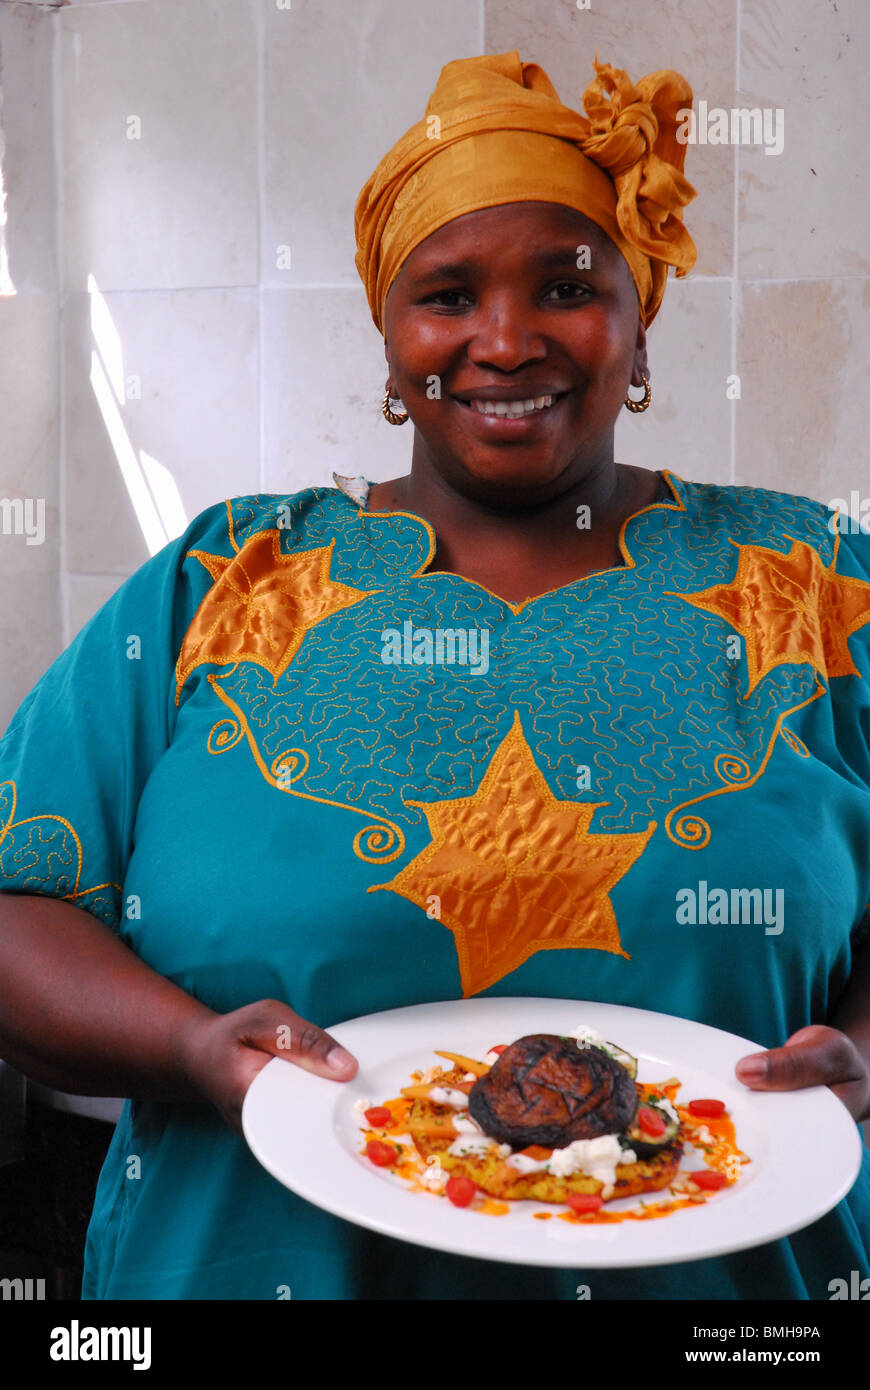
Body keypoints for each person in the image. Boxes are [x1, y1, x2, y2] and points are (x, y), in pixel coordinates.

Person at [0, 47, 868, 1301]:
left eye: (566, 287)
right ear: (391, 332)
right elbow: (16, 906)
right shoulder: (222, 582)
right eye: (447, 294)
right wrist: (191, 1048)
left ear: (640, 313)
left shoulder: (816, 585)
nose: (504, 342)